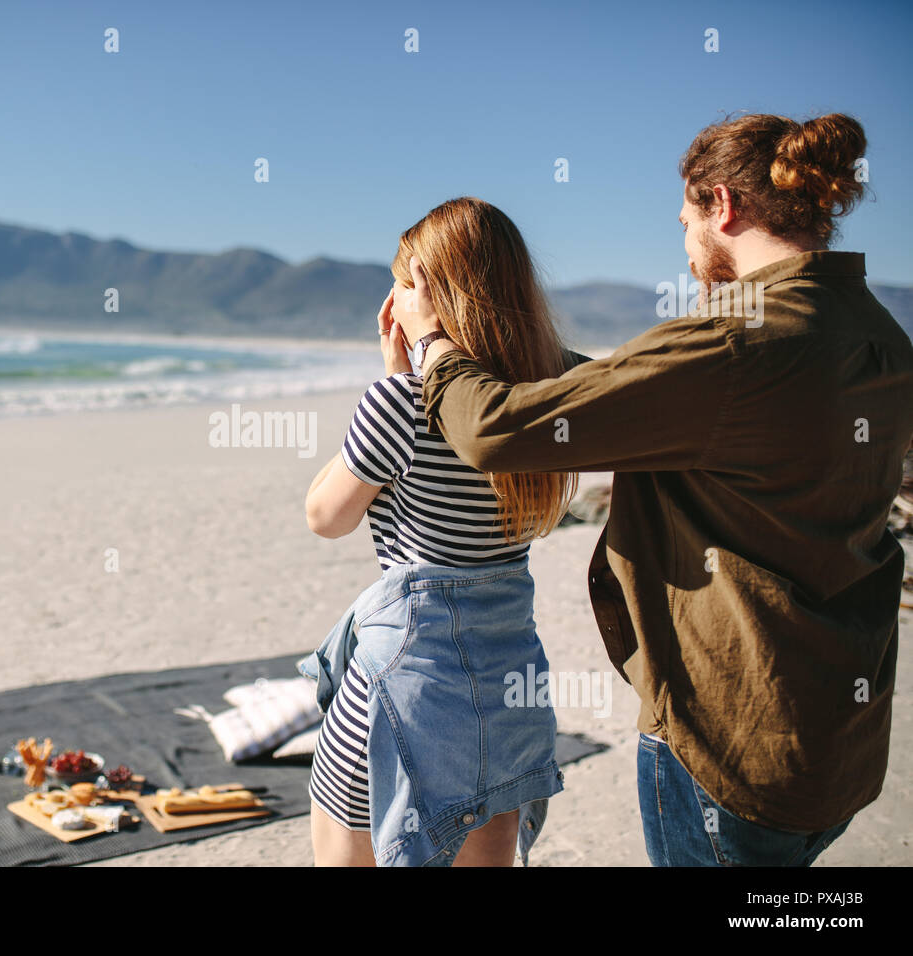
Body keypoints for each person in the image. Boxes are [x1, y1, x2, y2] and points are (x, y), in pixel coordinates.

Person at [396, 112, 913, 866]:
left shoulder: (735, 339)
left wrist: (433, 342)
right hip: (838, 743)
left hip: (726, 746)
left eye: (684, 221)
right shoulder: (879, 337)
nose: (685, 243)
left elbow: (496, 434)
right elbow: (633, 395)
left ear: (723, 206)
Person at [300, 197, 589, 866]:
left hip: (401, 691)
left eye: (403, 282)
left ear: (431, 298)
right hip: (509, 688)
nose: (392, 299)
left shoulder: (401, 402)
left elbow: (325, 516)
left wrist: (393, 382)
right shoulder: (542, 400)